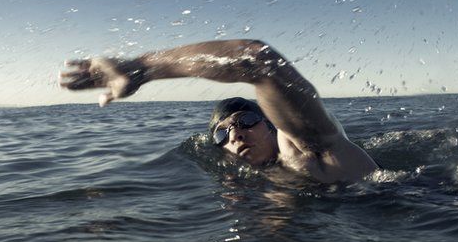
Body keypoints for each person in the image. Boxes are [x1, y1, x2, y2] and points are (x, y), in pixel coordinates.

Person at [58, 39, 377, 183]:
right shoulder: (251, 185)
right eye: (222, 133)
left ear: (272, 125)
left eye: (246, 122)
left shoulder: (305, 154)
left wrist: (142, 68)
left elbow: (259, 62)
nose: (235, 134)